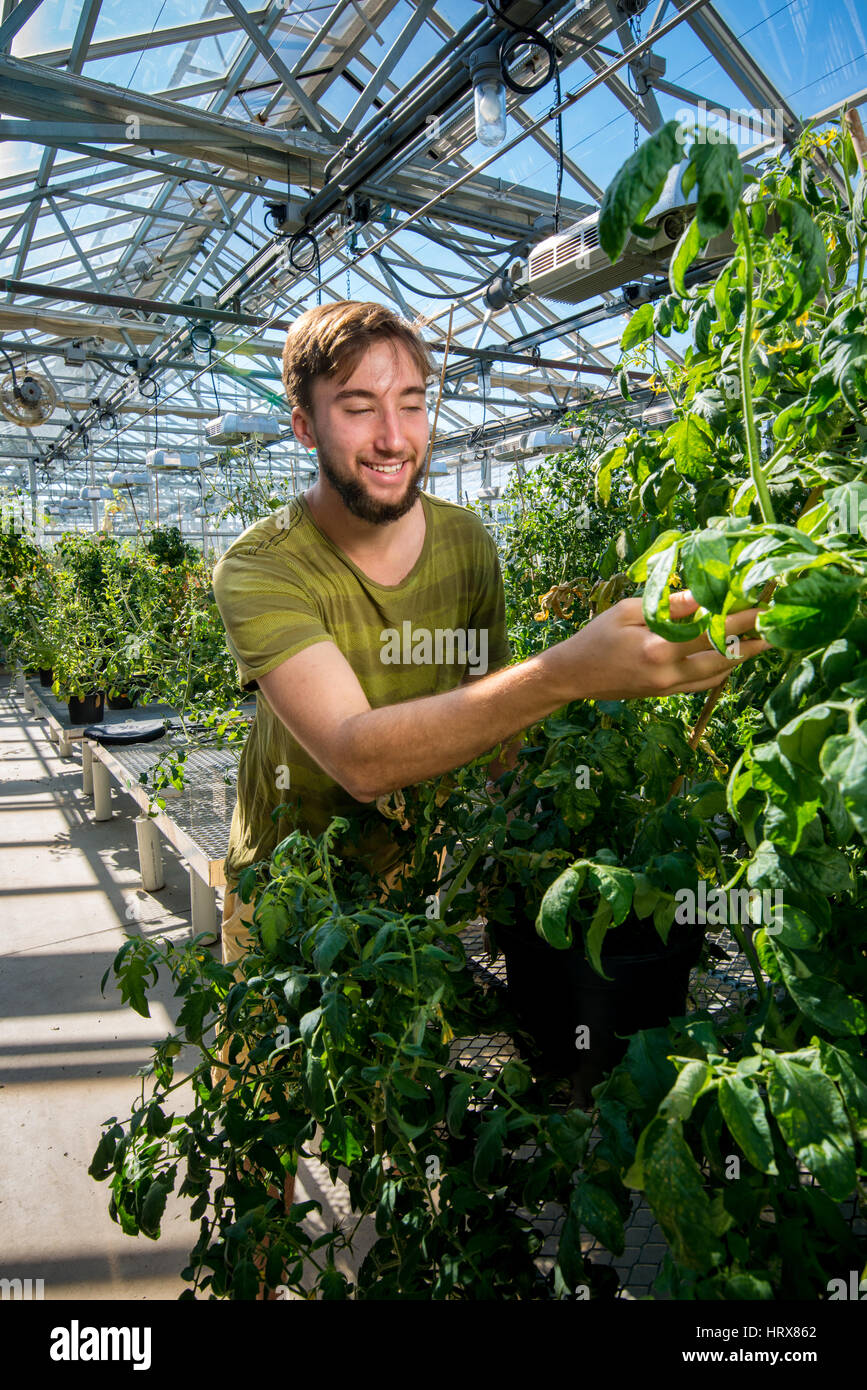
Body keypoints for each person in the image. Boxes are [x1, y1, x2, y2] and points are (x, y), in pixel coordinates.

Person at [210, 299, 768, 1234]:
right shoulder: (261, 567)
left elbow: (491, 716)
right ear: (302, 422)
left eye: (413, 402)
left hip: (417, 883)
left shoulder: (467, 542)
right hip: (286, 881)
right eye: (356, 406)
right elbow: (356, 755)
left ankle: (404, 1240)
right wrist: (568, 675)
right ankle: (260, 1267)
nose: (393, 436)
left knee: (404, 1084)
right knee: (265, 1101)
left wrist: (519, 849)